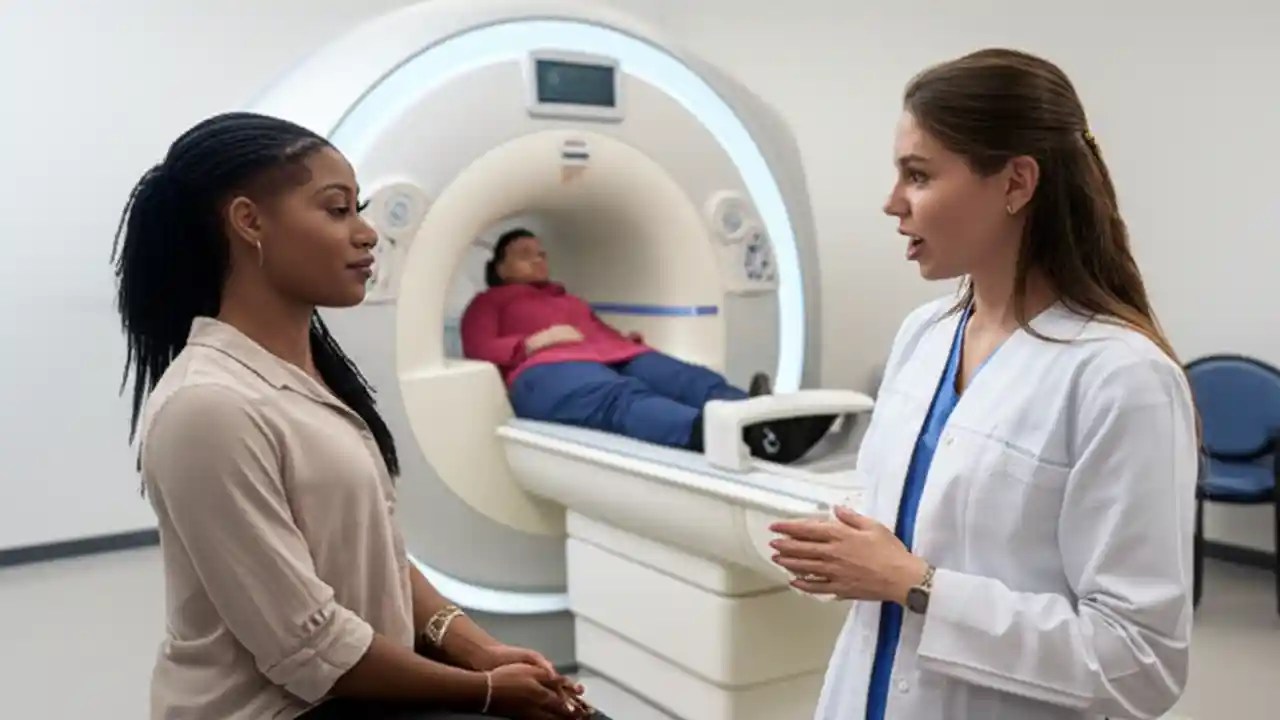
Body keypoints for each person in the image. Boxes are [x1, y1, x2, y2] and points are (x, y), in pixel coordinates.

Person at [112, 111, 600, 720]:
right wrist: (487, 692)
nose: (367, 234)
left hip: (359, 684)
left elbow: (379, 560)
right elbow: (309, 646)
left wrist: (483, 649)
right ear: (248, 221)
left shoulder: (311, 377)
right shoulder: (207, 408)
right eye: (337, 209)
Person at [769, 49, 1198, 719]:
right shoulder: (925, 334)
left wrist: (915, 586)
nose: (891, 203)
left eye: (918, 175)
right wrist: (841, 551)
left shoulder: (1122, 378)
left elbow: (1140, 662)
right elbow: (922, 515)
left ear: (1016, 183)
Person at [460, 228, 836, 464]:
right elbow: (477, 345)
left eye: (542, 252)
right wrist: (532, 342)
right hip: (545, 369)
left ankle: (768, 422)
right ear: (499, 268)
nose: (539, 259)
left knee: (691, 380)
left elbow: (597, 329)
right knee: (620, 397)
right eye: (526, 254)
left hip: (613, 354)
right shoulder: (489, 302)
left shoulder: (568, 299)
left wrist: (627, 342)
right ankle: (721, 435)